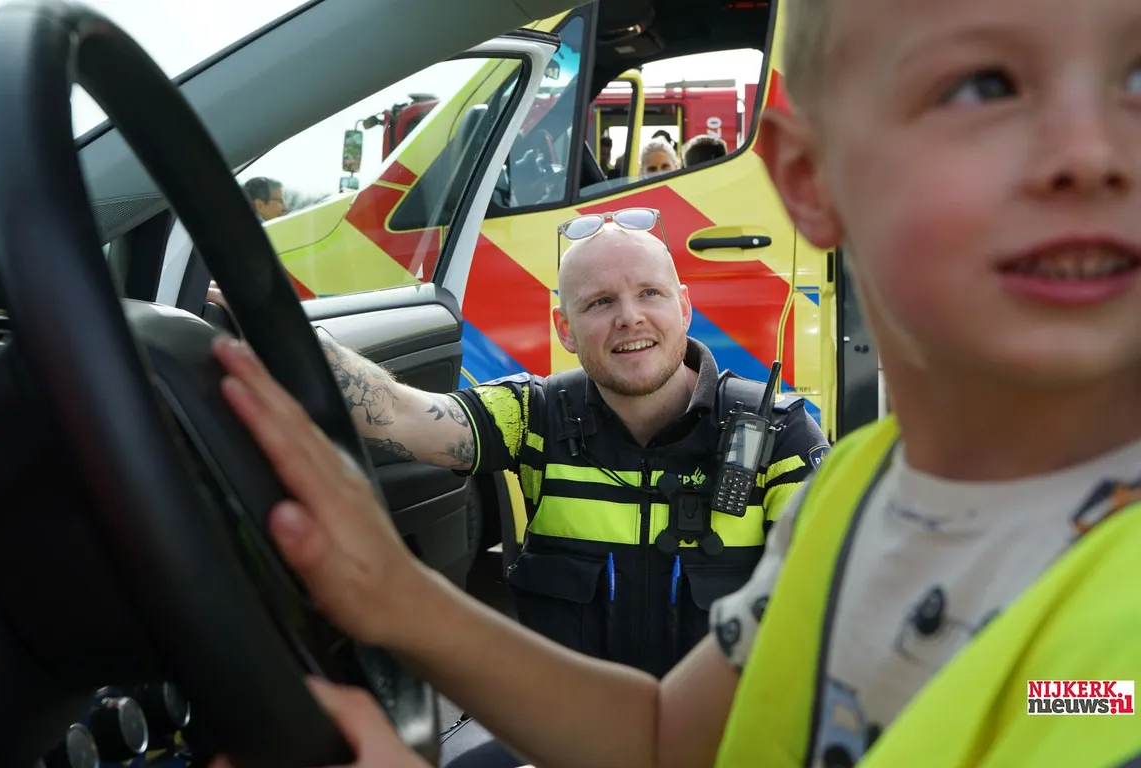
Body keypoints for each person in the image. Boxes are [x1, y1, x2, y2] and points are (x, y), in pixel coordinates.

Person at [208, 0, 1141, 763]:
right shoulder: (855, 502)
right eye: (984, 86)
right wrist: (395, 600)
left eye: (1138, 78)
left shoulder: (789, 449)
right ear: (808, 179)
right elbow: (667, 742)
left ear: (686, 310)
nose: (1091, 152)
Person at [311, 210, 828, 680]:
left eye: (650, 293)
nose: (630, 317)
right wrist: (274, 321)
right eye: (600, 302)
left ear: (684, 307)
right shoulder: (532, 415)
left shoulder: (780, 437)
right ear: (565, 330)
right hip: (573, 739)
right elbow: (398, 413)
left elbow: (826, 624)